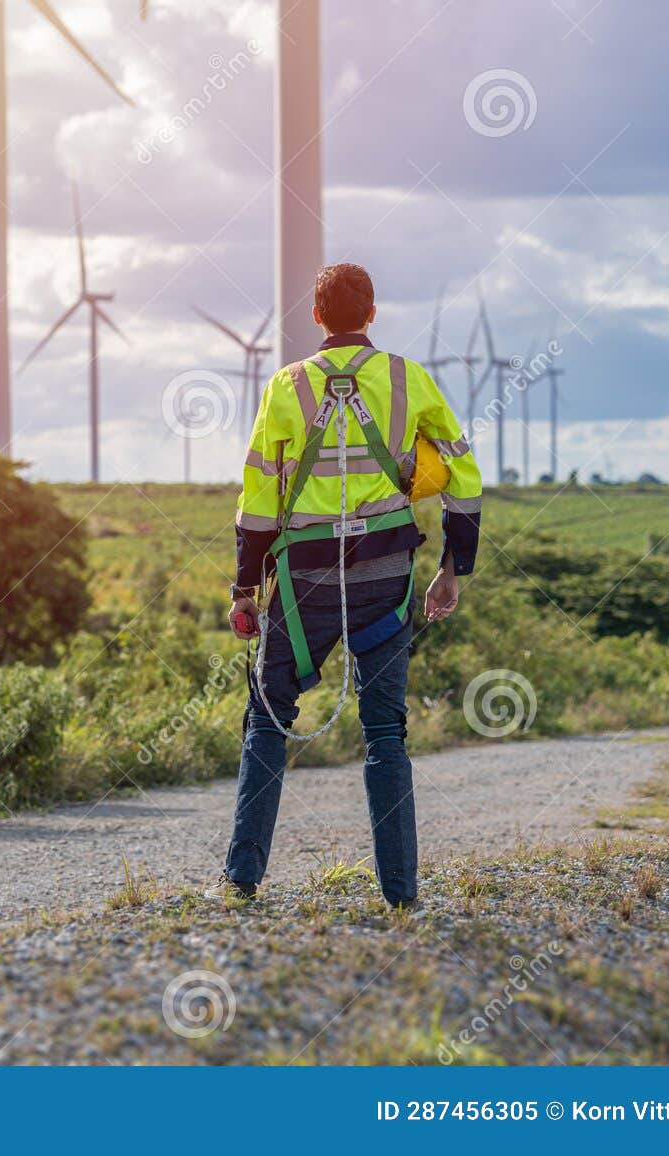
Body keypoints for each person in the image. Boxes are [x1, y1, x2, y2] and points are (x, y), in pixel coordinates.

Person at [207, 262, 483, 909]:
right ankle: (401, 894)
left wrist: (244, 590)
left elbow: (257, 501)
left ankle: (242, 881)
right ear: (374, 313)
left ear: (315, 316)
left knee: (268, 719)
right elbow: (464, 478)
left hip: (302, 581)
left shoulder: (283, 387)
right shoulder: (407, 378)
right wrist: (452, 570)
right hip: (387, 572)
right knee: (386, 730)